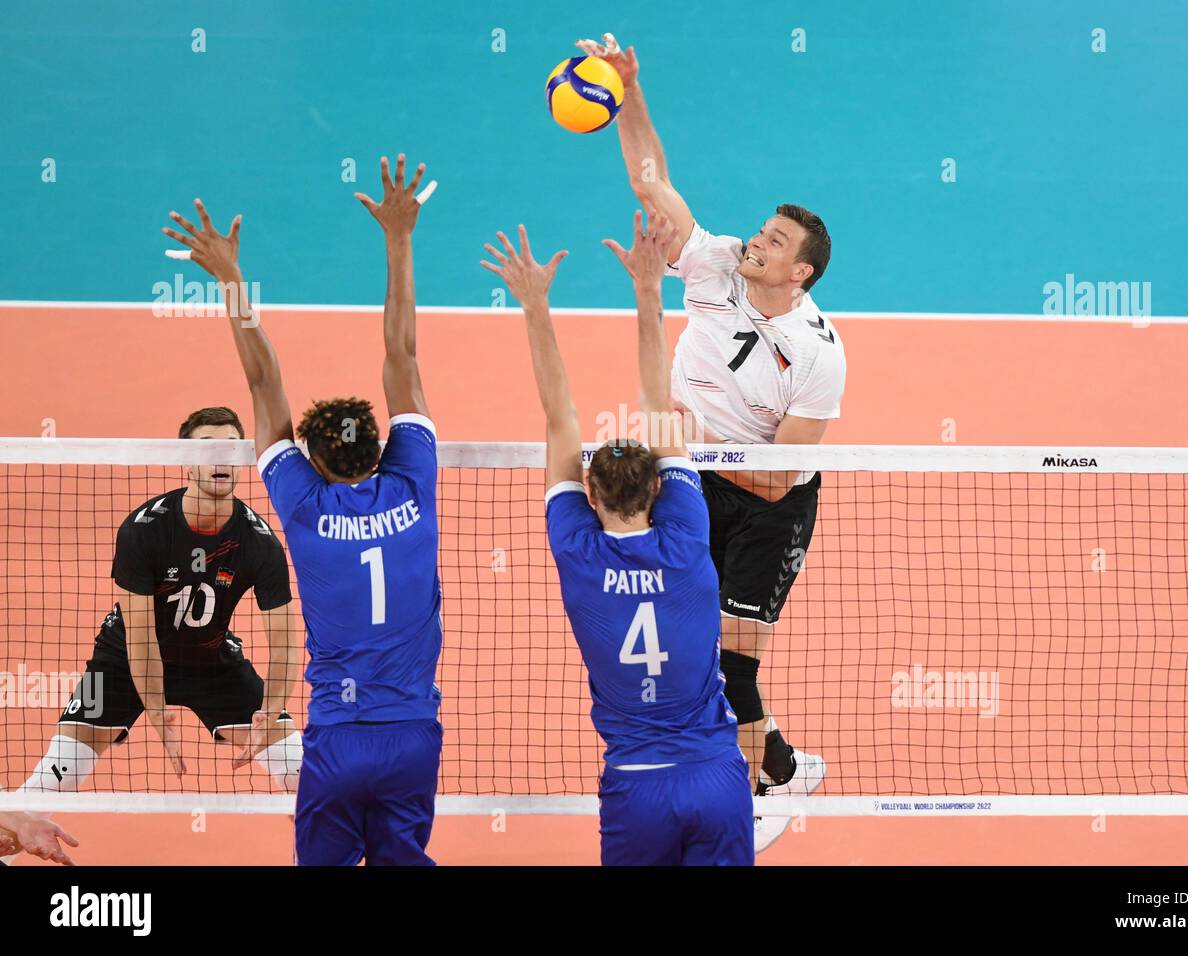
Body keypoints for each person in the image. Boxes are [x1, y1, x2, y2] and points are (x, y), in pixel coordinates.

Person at [577, 32, 848, 850]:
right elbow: (649, 181)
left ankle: (761, 791)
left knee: (732, 668)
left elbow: (779, 479)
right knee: (692, 656)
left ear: (800, 274)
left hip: (767, 506)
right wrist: (630, 90)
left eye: (775, 243)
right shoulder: (717, 267)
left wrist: (688, 447)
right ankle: (787, 766)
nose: (756, 241)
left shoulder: (819, 357)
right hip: (694, 476)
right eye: (762, 231)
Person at [163, 155, 442, 865]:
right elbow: (402, 354)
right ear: (383, 447)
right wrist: (400, 237)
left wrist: (230, 277)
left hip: (339, 739)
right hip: (412, 735)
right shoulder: (412, 483)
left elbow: (263, 378)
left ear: (312, 459)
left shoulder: (303, 503)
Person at [480, 207, 754, 865]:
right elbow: (660, 406)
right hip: (718, 776)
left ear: (590, 495)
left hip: (637, 788)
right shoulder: (688, 534)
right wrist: (645, 288)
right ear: (660, 488)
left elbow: (559, 420)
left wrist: (536, 306)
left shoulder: (577, 551)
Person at [16, 407, 301, 801]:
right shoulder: (143, 530)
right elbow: (141, 636)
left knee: (303, 775)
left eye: (232, 449)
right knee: (55, 777)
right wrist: (153, 706)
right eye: (206, 448)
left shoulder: (261, 543)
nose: (221, 458)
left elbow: (286, 645)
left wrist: (269, 714)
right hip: (123, 657)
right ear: (184, 460)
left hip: (212, 660)